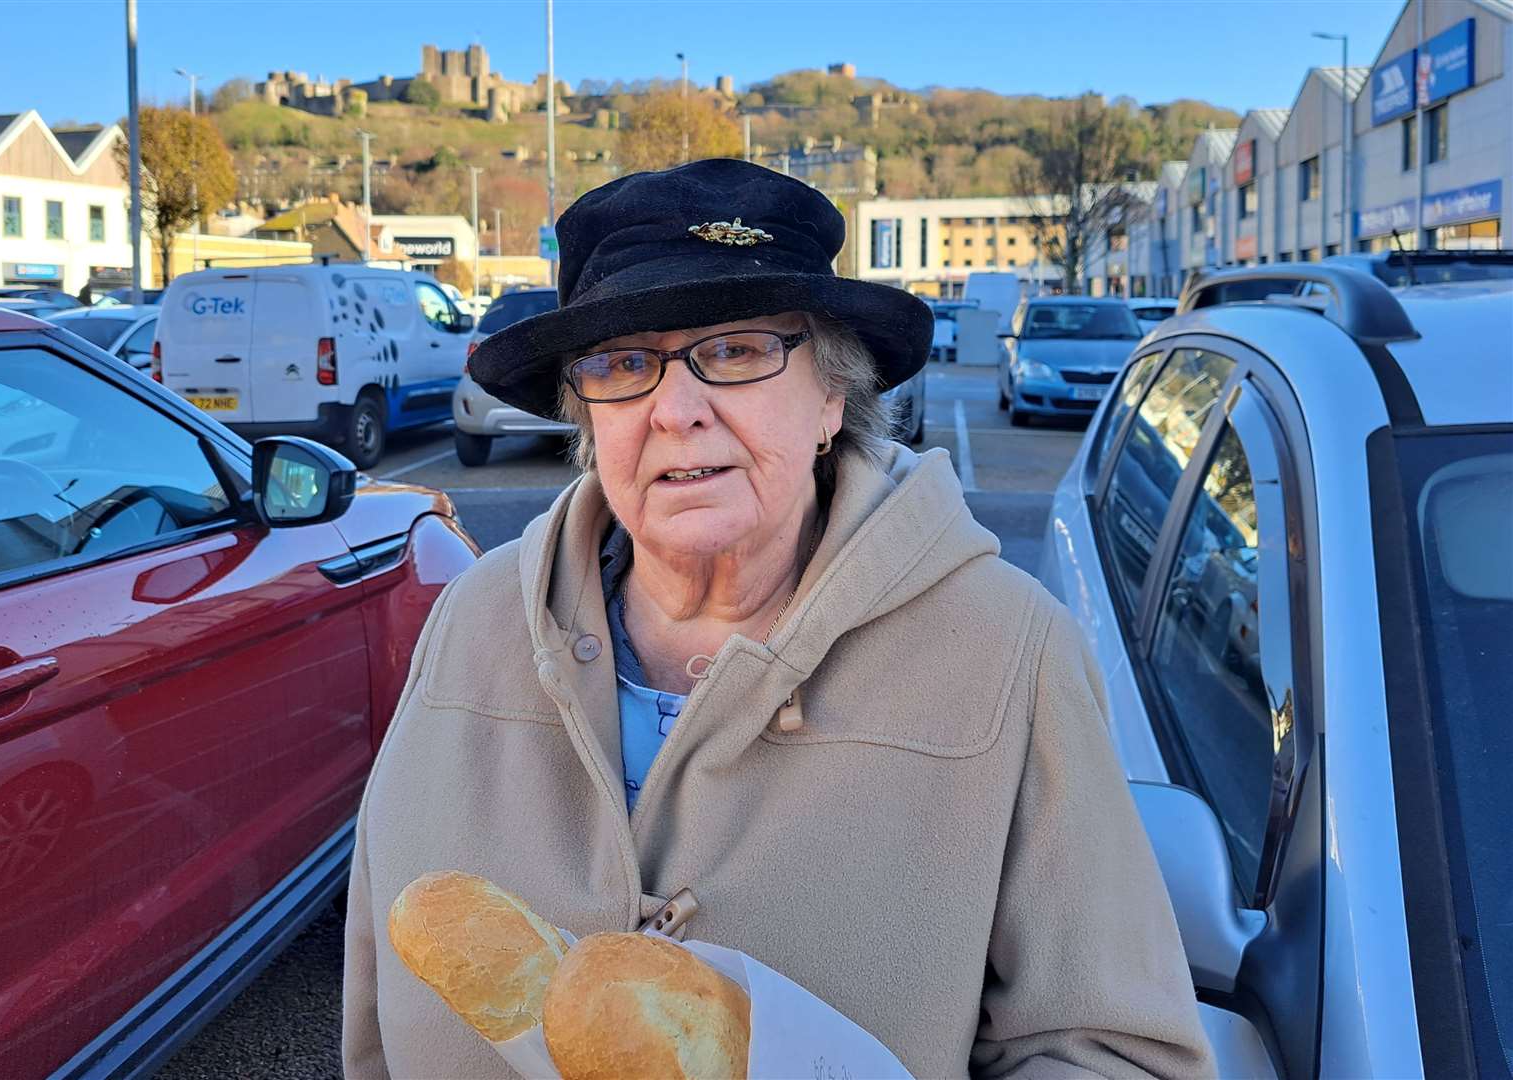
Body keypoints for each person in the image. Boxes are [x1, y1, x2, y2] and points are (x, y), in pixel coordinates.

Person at [342, 159, 1214, 1078]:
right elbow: (374, 1004)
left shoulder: (1006, 648)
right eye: (623, 364)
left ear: (833, 396)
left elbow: (1108, 1052)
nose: (676, 411)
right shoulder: (476, 618)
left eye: (736, 351)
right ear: (587, 417)